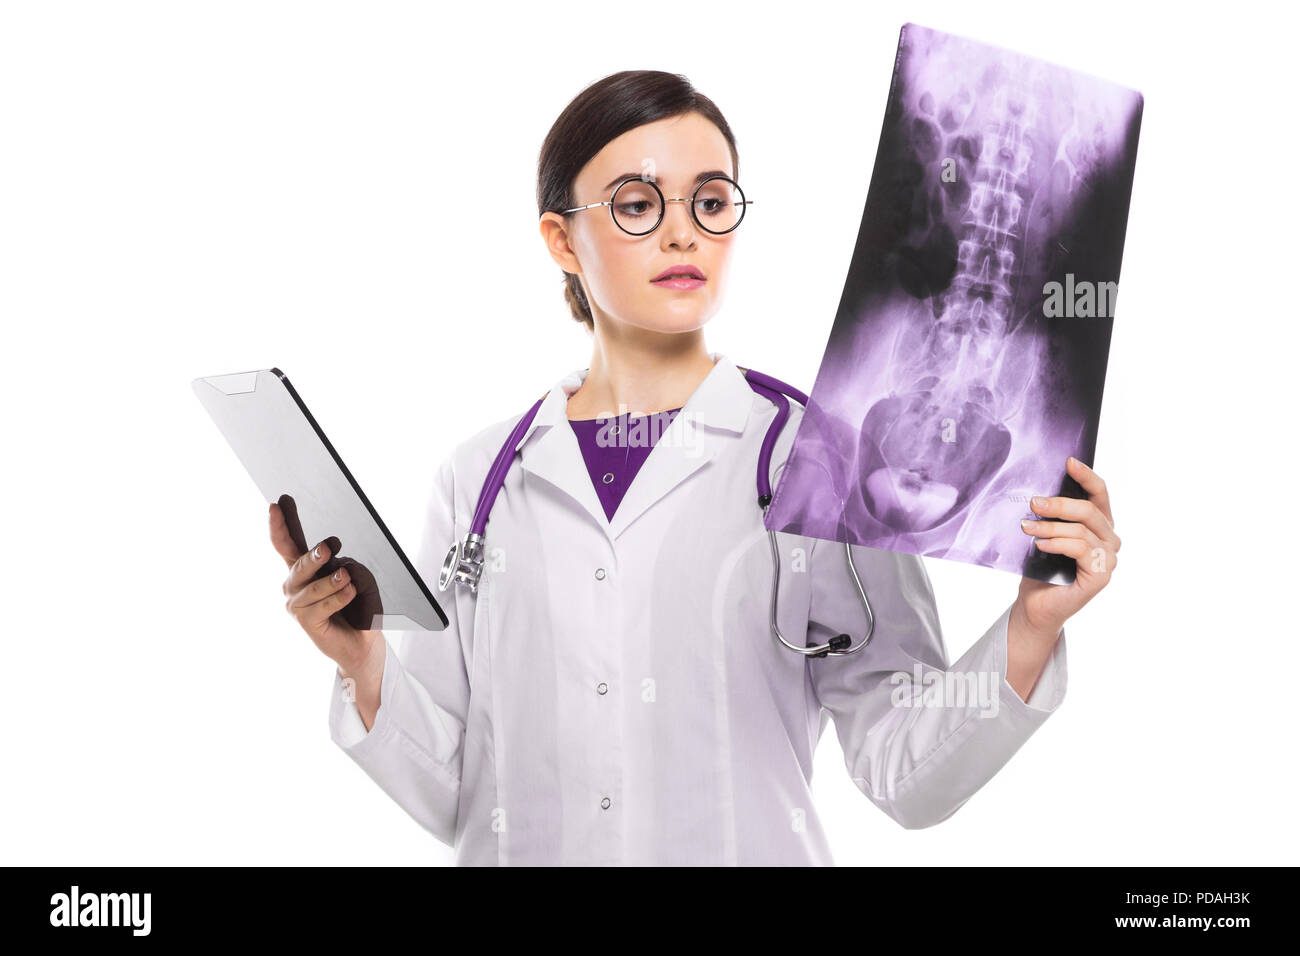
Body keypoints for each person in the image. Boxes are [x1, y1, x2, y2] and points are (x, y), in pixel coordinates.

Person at [267, 70, 1121, 866]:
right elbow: (458, 791)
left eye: (711, 201)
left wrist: (1030, 628)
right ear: (561, 240)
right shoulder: (480, 476)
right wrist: (365, 666)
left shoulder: (816, 456)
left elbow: (903, 770)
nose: (684, 231)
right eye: (638, 204)